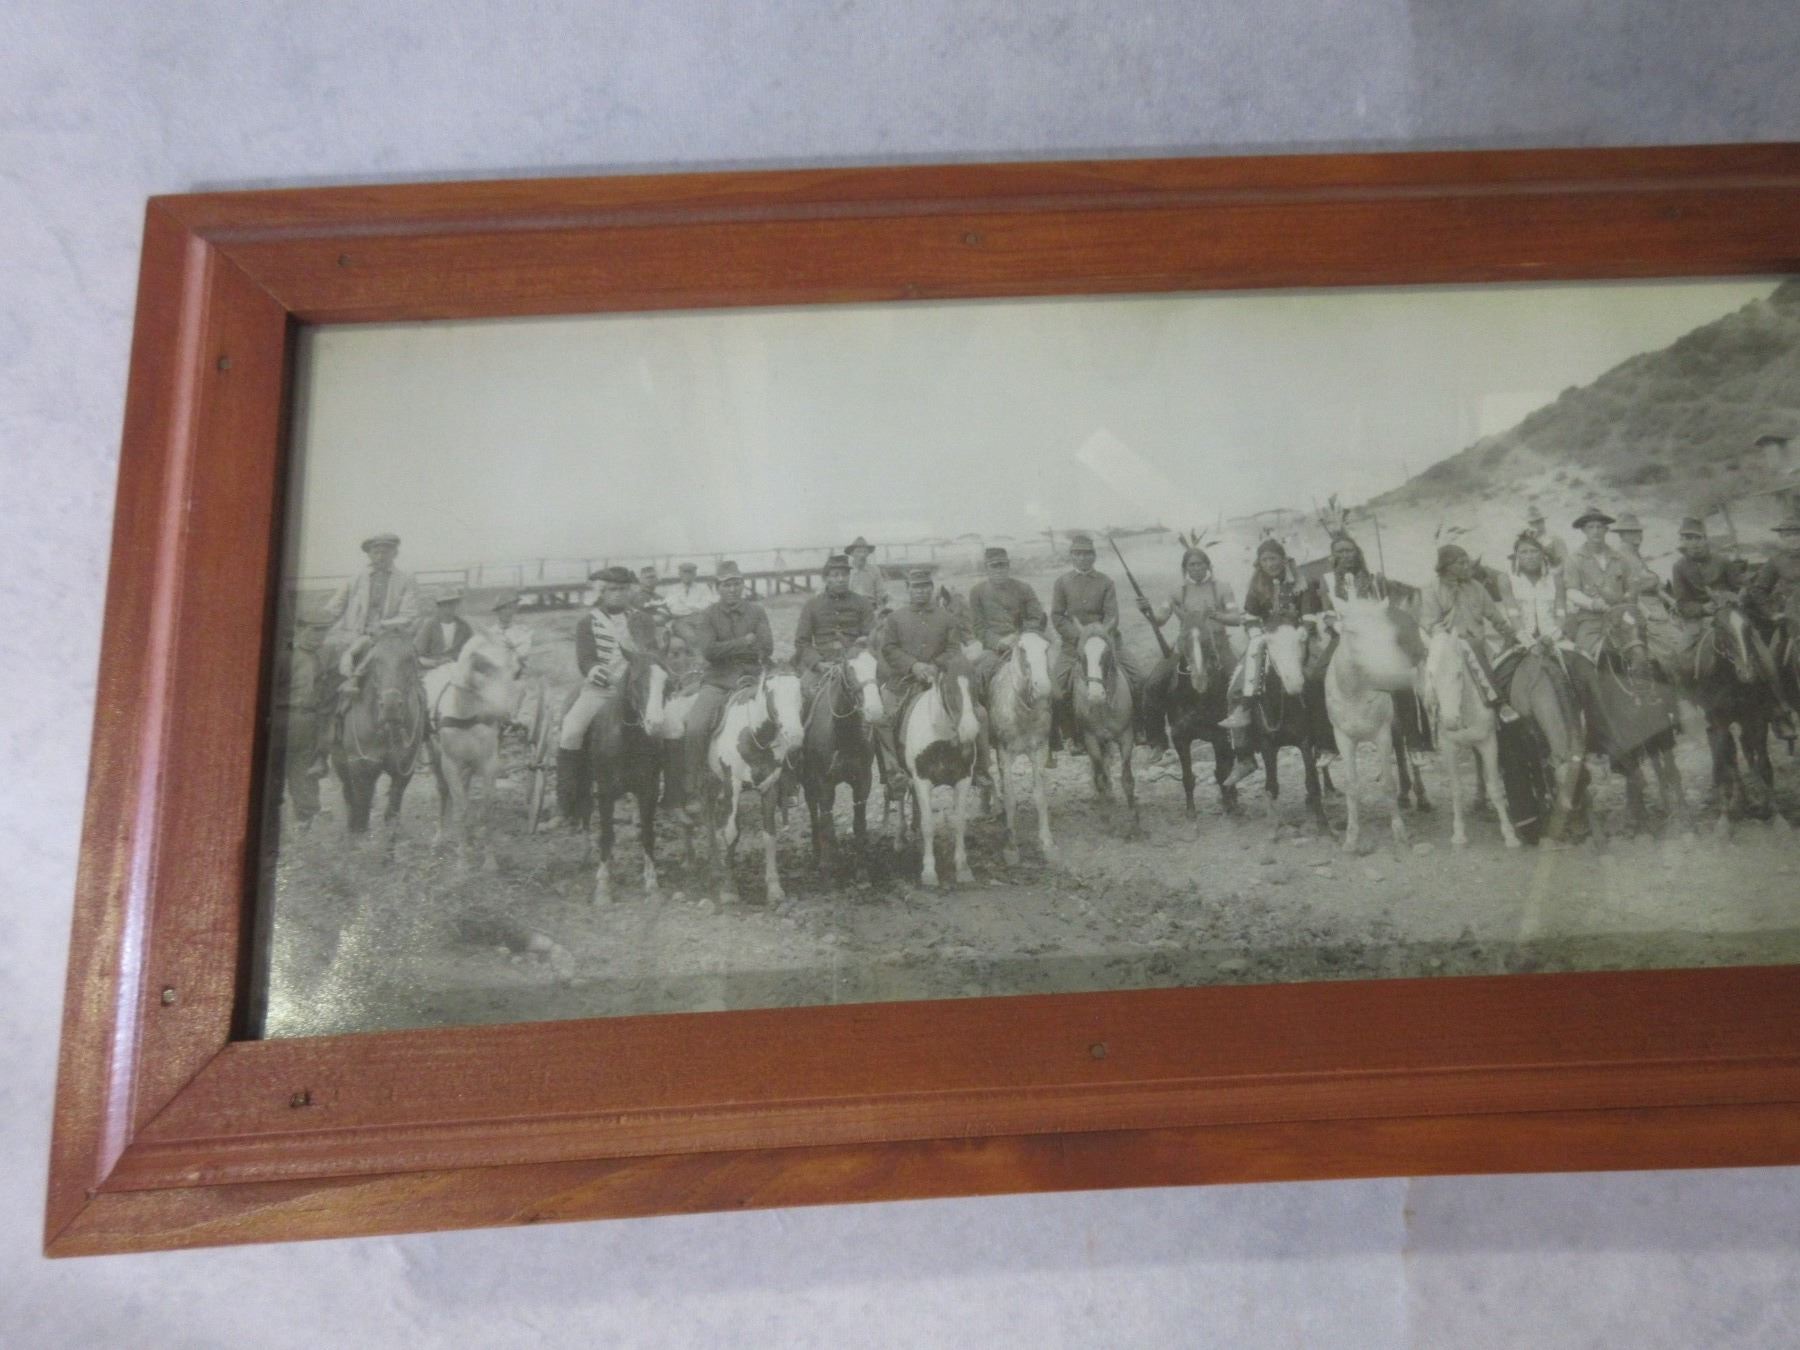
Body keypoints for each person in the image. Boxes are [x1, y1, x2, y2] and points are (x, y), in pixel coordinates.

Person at [553, 566, 657, 825]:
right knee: (571, 731)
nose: (618, 594)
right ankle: (568, 802)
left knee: (666, 726)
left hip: (637, 689)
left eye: (623, 589)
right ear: (602, 592)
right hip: (602, 689)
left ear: (629, 591)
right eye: (612, 589)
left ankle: (673, 795)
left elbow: (653, 651)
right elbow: (585, 659)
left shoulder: (642, 619)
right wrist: (596, 671)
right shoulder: (588, 622)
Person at [876, 566, 991, 795]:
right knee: (882, 717)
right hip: (905, 680)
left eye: (925, 587)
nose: (920, 592)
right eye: (915, 587)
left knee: (979, 714)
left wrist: (935, 666)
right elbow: (889, 648)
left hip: (940, 679)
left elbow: (952, 648)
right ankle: (893, 773)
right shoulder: (895, 619)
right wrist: (914, 666)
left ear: (931, 589)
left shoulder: (946, 618)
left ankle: (980, 768)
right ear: (908, 589)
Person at [675, 561, 775, 818]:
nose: (732, 589)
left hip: (751, 679)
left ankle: (785, 780)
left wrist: (734, 647)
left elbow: (766, 647)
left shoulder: (757, 611)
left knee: (781, 715)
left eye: (736, 583)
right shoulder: (709, 615)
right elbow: (708, 650)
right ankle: (693, 788)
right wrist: (744, 642)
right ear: (718, 587)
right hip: (718, 680)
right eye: (726, 584)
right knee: (696, 725)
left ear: (743, 585)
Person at [1137, 545, 1242, 765]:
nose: (1196, 568)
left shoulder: (1222, 588)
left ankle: (1245, 740)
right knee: (1152, 684)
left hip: (1218, 646)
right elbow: (1161, 619)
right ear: (1185, 568)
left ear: (1208, 565)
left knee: (1241, 684)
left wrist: (1217, 615)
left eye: (1200, 564)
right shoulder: (1177, 592)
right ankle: (1157, 741)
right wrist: (1147, 611)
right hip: (1185, 647)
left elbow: (1236, 617)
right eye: (1191, 565)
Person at [318, 530, 423, 750]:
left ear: (395, 553)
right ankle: (326, 744)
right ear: (369, 554)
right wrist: (319, 622)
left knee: (413, 680)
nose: (381, 554)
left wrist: (384, 625)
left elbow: (410, 612)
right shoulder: (356, 579)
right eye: (376, 550)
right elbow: (335, 606)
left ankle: (421, 733)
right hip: (354, 639)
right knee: (331, 685)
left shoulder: (405, 579)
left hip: (389, 639)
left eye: (386, 550)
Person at [1418, 543, 1519, 714]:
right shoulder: (1431, 589)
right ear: (1447, 567)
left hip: (1480, 642)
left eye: (1467, 562)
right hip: (1448, 644)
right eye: (1461, 563)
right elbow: (1431, 623)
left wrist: (1511, 634)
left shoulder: (1475, 587)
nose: (1467, 567)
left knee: (1513, 661)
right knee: (1469, 649)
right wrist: (1451, 639)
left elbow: (1494, 615)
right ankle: (1499, 704)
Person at [1051, 532, 1146, 712]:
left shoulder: (1106, 582)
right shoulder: (1062, 582)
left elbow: (1112, 616)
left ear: (1094, 556)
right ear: (1071, 556)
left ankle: (1139, 726)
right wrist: (1078, 635)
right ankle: (1068, 733)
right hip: (1073, 646)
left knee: (1138, 678)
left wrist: (1099, 637)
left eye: (1087, 554)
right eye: (1077, 554)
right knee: (1057, 686)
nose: (1082, 558)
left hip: (1107, 643)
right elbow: (1057, 616)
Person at [270, 605, 330, 829]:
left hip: (307, 723)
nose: (319, 636)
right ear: (300, 629)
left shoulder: (317, 657)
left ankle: (306, 820)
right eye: (315, 630)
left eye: (323, 631)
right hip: (283, 721)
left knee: (305, 771)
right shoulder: (286, 656)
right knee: (276, 772)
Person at [967, 545, 1047, 691]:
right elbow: (978, 627)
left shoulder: (1024, 588)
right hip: (994, 649)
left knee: (1048, 679)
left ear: (1008, 566)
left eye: (1002, 565)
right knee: (980, 676)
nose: (999, 570)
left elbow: (1036, 618)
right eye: (994, 566)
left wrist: (1019, 636)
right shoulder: (977, 592)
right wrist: (998, 642)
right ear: (986, 568)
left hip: (1024, 643)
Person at [793, 554, 877, 691]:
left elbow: (873, 637)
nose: (841, 579)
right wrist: (817, 663)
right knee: (804, 694)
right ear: (826, 578)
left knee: (873, 692)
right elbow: (802, 642)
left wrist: (861, 646)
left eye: (845, 575)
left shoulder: (862, 603)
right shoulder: (812, 605)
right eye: (835, 575)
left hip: (856, 663)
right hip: (823, 663)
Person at [1610, 512, 1681, 670]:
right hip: (1641, 611)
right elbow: (1628, 592)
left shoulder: (1636, 555)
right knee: (1668, 649)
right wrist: (1648, 613)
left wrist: (1671, 601)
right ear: (1622, 535)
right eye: (1632, 532)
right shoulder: (1620, 558)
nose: (1638, 535)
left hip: (1657, 607)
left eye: (1639, 531)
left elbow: (1654, 585)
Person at [1563, 506, 1632, 657]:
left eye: (1600, 526)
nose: (1596, 531)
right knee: (1584, 658)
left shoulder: (1619, 558)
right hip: (1591, 620)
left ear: (1606, 530)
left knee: (1642, 650)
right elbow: (1571, 591)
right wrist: (1593, 604)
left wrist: (1625, 603)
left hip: (1621, 618)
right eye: (1590, 527)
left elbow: (1629, 588)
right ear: (1583, 531)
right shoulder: (1574, 559)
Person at [1506, 532, 1567, 644]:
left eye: (1534, 551)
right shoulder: (1507, 580)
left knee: (1582, 660)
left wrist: (1551, 638)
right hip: (1520, 640)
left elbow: (1561, 616)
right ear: (1517, 556)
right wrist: (1529, 642)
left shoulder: (1556, 580)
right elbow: (1513, 616)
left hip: (1553, 638)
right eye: (1524, 552)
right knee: (1501, 661)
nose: (1529, 556)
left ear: (1542, 554)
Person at [414, 586, 473, 669]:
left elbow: (471, 650)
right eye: (446, 603)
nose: (450, 607)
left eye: (453, 603)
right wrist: (436, 662)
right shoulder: (429, 626)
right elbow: (418, 656)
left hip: (459, 668)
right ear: (439, 605)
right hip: (434, 669)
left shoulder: (464, 626)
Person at [488, 590, 533, 677]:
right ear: (498, 611)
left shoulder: (522, 631)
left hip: (517, 676)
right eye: (504, 608)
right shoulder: (491, 632)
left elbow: (524, 655)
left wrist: (513, 648)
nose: (508, 612)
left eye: (511, 608)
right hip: (496, 677)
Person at [844, 536, 889, 613]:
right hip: (851, 608)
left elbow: (880, 592)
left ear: (868, 554)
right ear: (852, 553)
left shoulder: (874, 570)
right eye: (858, 551)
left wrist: (880, 608)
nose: (862, 555)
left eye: (865, 551)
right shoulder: (846, 571)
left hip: (871, 608)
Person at [1522, 505, 1569, 571]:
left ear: (1543, 522)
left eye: (1538, 522)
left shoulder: (1555, 539)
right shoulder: (1528, 541)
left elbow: (1565, 562)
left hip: (1554, 574)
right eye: (1531, 523)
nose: (1535, 525)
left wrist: (1552, 573)